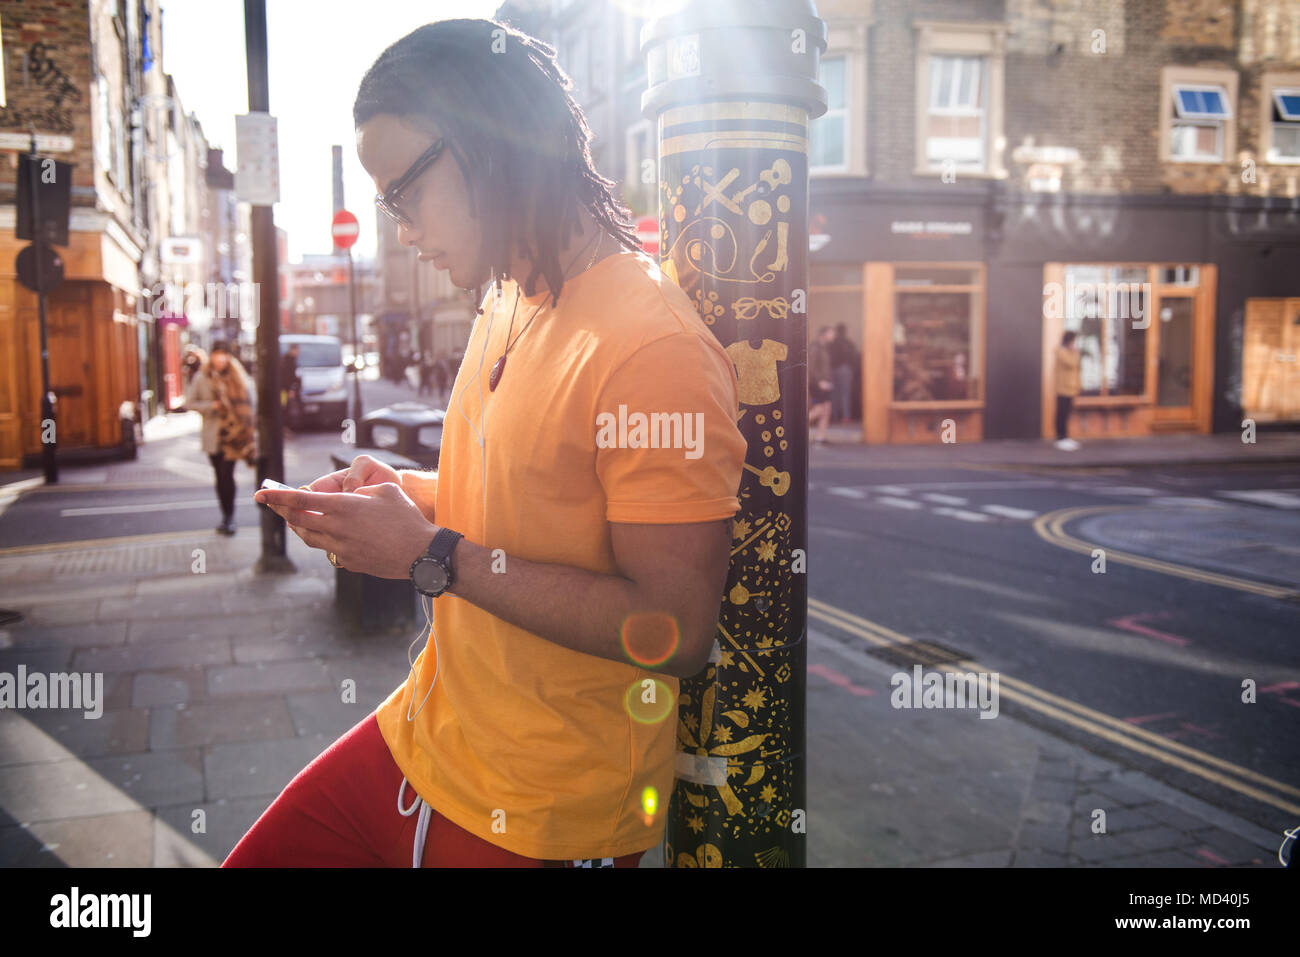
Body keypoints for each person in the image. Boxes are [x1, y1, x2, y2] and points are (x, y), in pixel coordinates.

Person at [232, 18, 747, 869]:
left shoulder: (654, 348)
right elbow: (529, 504)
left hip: (540, 812)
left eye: (403, 193)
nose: (402, 229)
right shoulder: (507, 294)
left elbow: (676, 626)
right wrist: (403, 498)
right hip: (423, 734)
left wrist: (429, 556)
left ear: (487, 142)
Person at [184, 340, 257, 535]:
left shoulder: (237, 375)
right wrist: (212, 406)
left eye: (224, 354)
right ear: (212, 356)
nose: (220, 358)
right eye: (217, 354)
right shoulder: (202, 377)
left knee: (227, 475)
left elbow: (250, 401)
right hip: (213, 435)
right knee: (220, 476)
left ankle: (229, 518)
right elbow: (190, 402)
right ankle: (226, 515)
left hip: (233, 435)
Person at [1054, 330, 1081, 451]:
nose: (1075, 344)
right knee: (1062, 414)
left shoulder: (1068, 352)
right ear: (1069, 341)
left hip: (1070, 388)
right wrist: (1075, 352)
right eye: (1074, 341)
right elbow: (1072, 363)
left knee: (1067, 414)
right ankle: (1060, 438)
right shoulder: (1061, 351)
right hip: (1063, 389)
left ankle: (1065, 437)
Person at [809, 325, 834, 444]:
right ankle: (794, 428)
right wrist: (819, 381)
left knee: (827, 409)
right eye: (831, 333)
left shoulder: (825, 348)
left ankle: (820, 437)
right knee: (819, 410)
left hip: (825, 383)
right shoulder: (815, 347)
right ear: (823, 334)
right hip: (817, 384)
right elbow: (811, 367)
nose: (833, 336)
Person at [829, 323, 858, 423]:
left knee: (834, 394)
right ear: (845, 331)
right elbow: (854, 357)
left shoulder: (832, 343)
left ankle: (834, 416)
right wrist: (852, 368)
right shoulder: (848, 343)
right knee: (845, 394)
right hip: (845, 369)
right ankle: (846, 416)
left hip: (833, 369)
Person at [280, 343, 302, 423]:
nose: (298, 352)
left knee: (285, 407)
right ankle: (284, 425)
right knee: (284, 408)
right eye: (297, 350)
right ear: (292, 350)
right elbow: (287, 377)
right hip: (284, 390)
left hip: (285, 389)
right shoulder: (288, 361)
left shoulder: (290, 360)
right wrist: (290, 389)